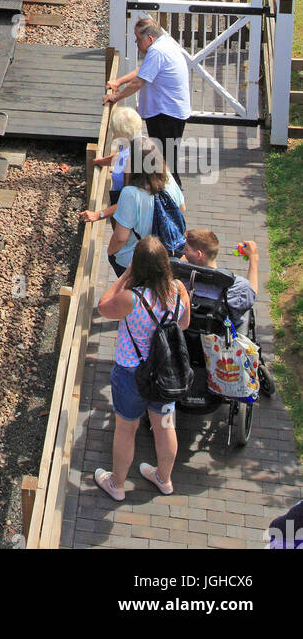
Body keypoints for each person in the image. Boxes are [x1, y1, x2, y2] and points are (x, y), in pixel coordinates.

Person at [95, 236, 191, 501]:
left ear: (138, 266)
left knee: (127, 428)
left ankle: (116, 484)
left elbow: (103, 307)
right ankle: (164, 478)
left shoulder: (131, 298)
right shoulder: (179, 290)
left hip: (130, 373)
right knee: (165, 426)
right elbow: (183, 325)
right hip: (165, 373)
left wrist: (125, 276)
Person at [104, 17, 191, 181]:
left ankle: (174, 199)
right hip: (169, 111)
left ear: (150, 38)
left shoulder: (157, 51)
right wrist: (119, 81)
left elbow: (138, 82)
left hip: (166, 114)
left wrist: (115, 97)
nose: (137, 43)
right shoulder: (163, 44)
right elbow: (143, 70)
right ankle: (168, 197)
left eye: (138, 39)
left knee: (164, 163)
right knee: (162, 160)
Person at [102, 137, 185, 275]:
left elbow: (120, 237)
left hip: (135, 260)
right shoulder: (168, 179)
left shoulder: (131, 194)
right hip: (166, 256)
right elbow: (182, 209)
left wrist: (111, 252)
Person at [79, 104, 143, 226]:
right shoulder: (138, 142)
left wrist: (99, 214)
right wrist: (101, 161)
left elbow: (130, 200)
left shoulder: (135, 162)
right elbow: (120, 156)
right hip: (120, 203)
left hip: (128, 213)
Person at [180, 229, 258, 328]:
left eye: (186, 249)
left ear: (199, 255)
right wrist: (254, 258)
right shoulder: (238, 287)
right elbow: (252, 292)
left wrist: (181, 265)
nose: (183, 252)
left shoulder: (181, 281)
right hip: (219, 332)